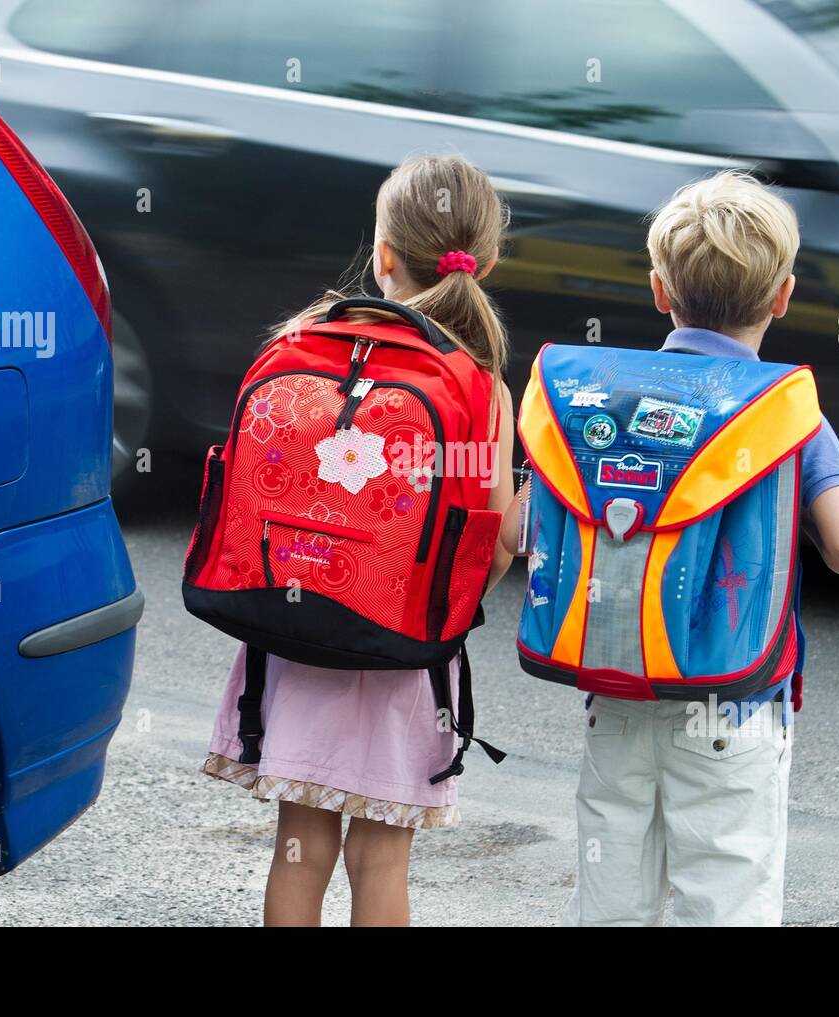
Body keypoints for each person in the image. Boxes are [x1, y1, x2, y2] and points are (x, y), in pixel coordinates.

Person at [549, 170, 839, 926]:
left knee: (609, 897)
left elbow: (521, 528)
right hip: (733, 706)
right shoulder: (782, 413)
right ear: (783, 296)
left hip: (621, 690)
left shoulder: (607, 396)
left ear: (659, 291)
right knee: (726, 898)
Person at [203, 154, 515, 927]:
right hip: (403, 651)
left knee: (297, 848)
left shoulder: (308, 342)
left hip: (294, 632)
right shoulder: (482, 386)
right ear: (487, 260)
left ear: (382, 259)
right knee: (381, 860)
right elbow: (496, 541)